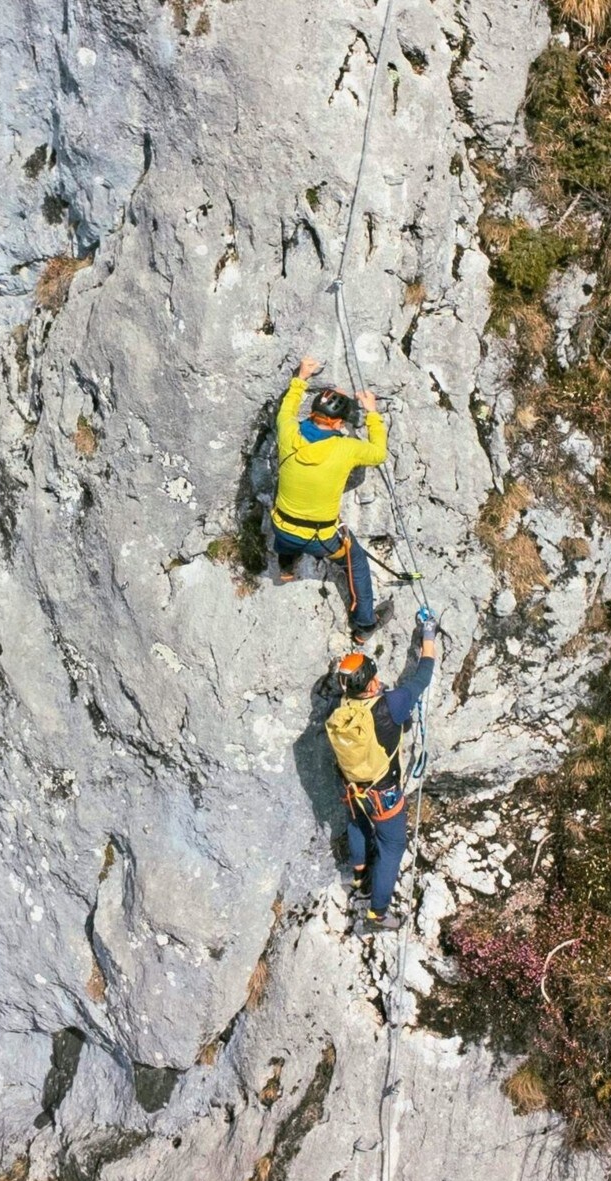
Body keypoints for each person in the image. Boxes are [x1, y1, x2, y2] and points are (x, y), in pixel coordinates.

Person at [325, 613, 439, 933]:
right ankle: (377, 914)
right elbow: (423, 676)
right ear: (373, 683)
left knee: (358, 823)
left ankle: (359, 875)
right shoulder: (392, 704)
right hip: (383, 794)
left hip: (351, 787)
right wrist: (428, 637)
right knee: (392, 847)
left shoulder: (341, 708)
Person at [273, 355, 389, 643]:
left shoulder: (287, 431)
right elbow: (378, 453)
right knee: (356, 562)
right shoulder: (346, 449)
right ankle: (364, 625)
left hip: (281, 528)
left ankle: (286, 566)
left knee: (286, 533)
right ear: (338, 422)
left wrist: (302, 376)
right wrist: (372, 413)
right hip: (319, 538)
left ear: (313, 413)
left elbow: (287, 408)